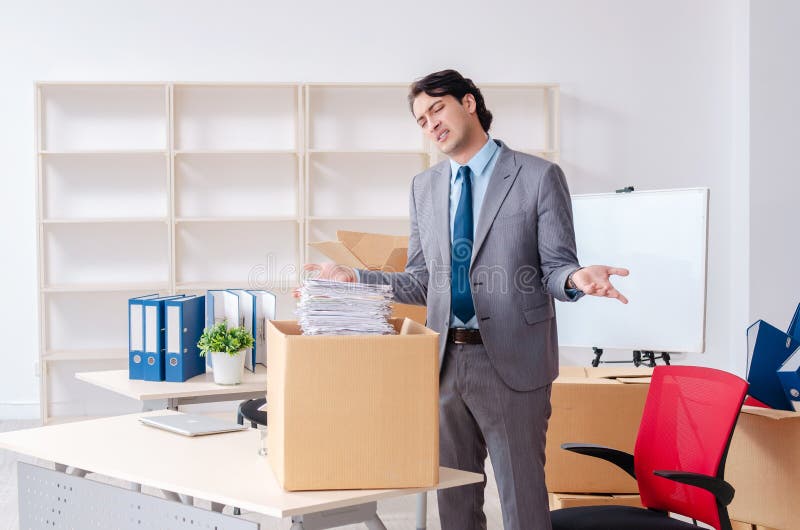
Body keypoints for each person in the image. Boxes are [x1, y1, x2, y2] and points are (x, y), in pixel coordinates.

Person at [305, 69, 629, 530]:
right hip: (444, 364)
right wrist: (352, 276)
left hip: (514, 363)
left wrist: (577, 278)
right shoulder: (425, 187)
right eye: (420, 119)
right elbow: (421, 281)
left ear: (469, 103)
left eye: (437, 108)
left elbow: (555, 265)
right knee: (455, 507)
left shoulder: (537, 177)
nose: (431, 123)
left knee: (522, 504)